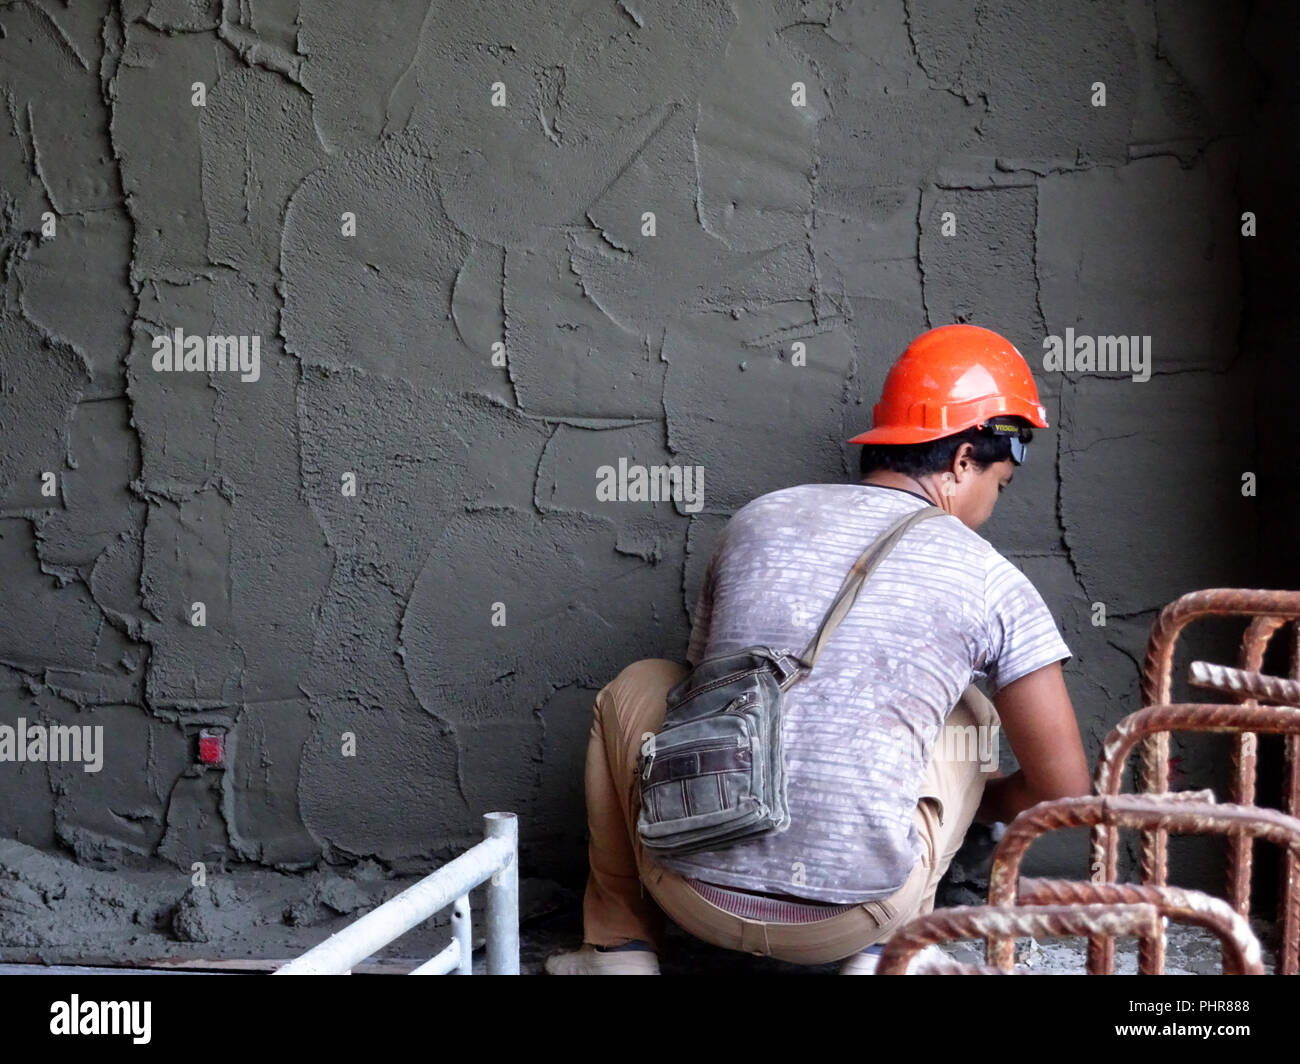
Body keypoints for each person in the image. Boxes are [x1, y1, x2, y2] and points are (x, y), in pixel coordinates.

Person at [545, 324, 1091, 975]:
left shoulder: (758, 518)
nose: (989, 507)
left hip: (685, 891)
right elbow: (1066, 793)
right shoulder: (991, 577)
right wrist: (985, 799)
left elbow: (713, 703)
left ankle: (620, 948)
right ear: (963, 460)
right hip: (854, 917)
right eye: (997, 485)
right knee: (968, 710)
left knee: (638, 685)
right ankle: (885, 951)